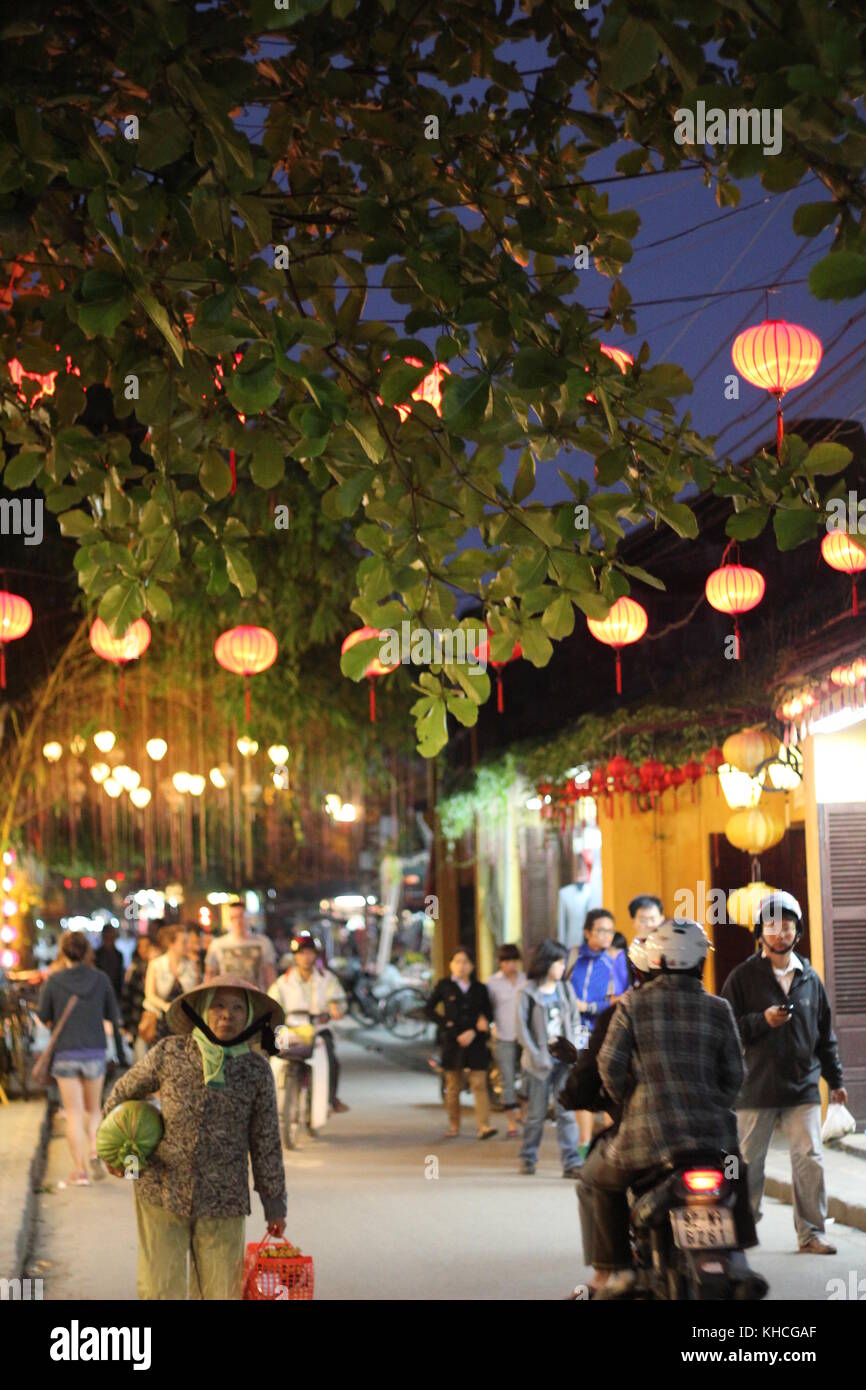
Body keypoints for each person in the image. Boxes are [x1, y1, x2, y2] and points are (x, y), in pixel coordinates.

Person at [583, 919, 746, 1298]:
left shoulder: (632, 1005)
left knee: (597, 1180)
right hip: (714, 1140)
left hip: (647, 1141)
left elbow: (609, 1066)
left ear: (654, 962)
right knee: (737, 1177)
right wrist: (715, 1104)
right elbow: (735, 1075)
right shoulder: (718, 1008)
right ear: (699, 962)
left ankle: (619, 1270)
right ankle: (738, 1260)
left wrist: (629, 1098)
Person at [103, 975, 287, 1300]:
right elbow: (120, 1097)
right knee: (161, 1290)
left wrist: (274, 1206)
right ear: (201, 1009)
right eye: (217, 1005)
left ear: (249, 1016)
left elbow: (266, 1143)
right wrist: (123, 1160)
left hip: (224, 1200)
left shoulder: (256, 1071)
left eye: (236, 1008)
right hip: (161, 1191)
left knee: (221, 1294)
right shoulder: (169, 1052)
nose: (226, 1015)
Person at [721, 890, 846, 1255]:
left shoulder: (810, 977)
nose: (780, 933)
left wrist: (835, 1081)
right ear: (760, 932)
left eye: (787, 925)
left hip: (802, 1087)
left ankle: (811, 1233)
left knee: (809, 1159)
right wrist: (762, 1021)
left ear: (798, 931)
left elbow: (825, 1034)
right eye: (772, 926)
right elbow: (726, 1027)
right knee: (746, 1163)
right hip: (754, 1087)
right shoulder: (742, 977)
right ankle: (741, 1230)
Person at [36, 931, 127, 1186]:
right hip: (94, 1052)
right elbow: (114, 1017)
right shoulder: (100, 979)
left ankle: (80, 1171)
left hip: (65, 1053)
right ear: (88, 951)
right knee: (94, 1109)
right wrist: (120, 1055)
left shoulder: (54, 981)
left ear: (62, 952)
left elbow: (43, 1016)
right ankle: (95, 1151)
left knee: (74, 1113)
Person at [567, 908, 630, 1161]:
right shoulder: (572, 957)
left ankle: (608, 1141)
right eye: (601, 930)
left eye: (609, 931)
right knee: (581, 1082)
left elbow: (623, 998)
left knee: (608, 1084)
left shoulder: (618, 960)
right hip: (575, 1030)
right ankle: (583, 1143)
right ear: (587, 932)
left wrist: (591, 1007)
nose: (606, 936)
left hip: (605, 1029)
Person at [516, 939, 583, 1176]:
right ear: (546, 963)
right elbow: (522, 1030)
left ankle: (572, 1162)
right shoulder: (528, 992)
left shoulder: (565, 989)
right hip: (538, 1065)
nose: (563, 967)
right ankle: (528, 1157)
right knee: (536, 1114)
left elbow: (575, 1022)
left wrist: (575, 1049)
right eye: (559, 962)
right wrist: (537, 1055)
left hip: (563, 1062)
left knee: (566, 1113)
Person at [268, 932, 349, 1113]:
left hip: (318, 1029)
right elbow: (273, 1002)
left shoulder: (327, 978)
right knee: (273, 1056)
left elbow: (338, 1000)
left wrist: (336, 1008)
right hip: (290, 1031)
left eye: (309, 953)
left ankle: (331, 1098)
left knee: (330, 1058)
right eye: (302, 953)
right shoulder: (283, 982)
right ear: (295, 956)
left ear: (315, 955)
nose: (306, 957)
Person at [424, 947, 497, 1140]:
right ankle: (454, 1125)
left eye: (465, 962)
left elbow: (489, 1013)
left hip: (476, 1041)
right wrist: (445, 1025)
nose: (461, 966)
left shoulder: (480, 988)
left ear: (472, 966)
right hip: (453, 1041)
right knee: (453, 1085)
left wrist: (477, 1028)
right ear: (450, 965)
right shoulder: (444, 985)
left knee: (479, 1083)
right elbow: (428, 1009)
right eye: (457, 961)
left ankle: (484, 1126)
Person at [485, 943, 526, 1137]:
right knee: (507, 1078)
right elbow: (487, 1009)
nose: (511, 965)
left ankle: (524, 1113)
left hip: (525, 1037)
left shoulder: (526, 981)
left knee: (528, 1076)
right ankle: (511, 1122)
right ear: (500, 963)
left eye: (514, 960)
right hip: (502, 1036)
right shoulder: (492, 983)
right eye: (506, 961)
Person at [143, 926, 200, 1043]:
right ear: (171, 944)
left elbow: (196, 993)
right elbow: (149, 994)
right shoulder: (156, 964)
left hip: (184, 1022)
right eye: (183, 942)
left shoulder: (191, 965)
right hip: (160, 1020)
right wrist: (166, 1006)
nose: (188, 945)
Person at [205, 901, 277, 991]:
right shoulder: (217, 944)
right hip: (228, 997)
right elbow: (210, 976)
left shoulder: (263, 942)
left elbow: (269, 976)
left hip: (256, 997)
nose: (238, 921)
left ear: (247, 917)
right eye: (233, 918)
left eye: (241, 916)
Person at [122, 934, 160, 1062]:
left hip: (156, 1022)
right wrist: (127, 1023)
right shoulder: (135, 969)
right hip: (138, 1020)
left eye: (147, 946)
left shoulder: (158, 967)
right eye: (141, 947)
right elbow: (127, 997)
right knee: (140, 1062)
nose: (144, 950)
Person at [94, 924, 125, 1001]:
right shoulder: (96, 954)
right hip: (99, 992)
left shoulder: (119, 955)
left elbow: (119, 976)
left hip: (115, 992)